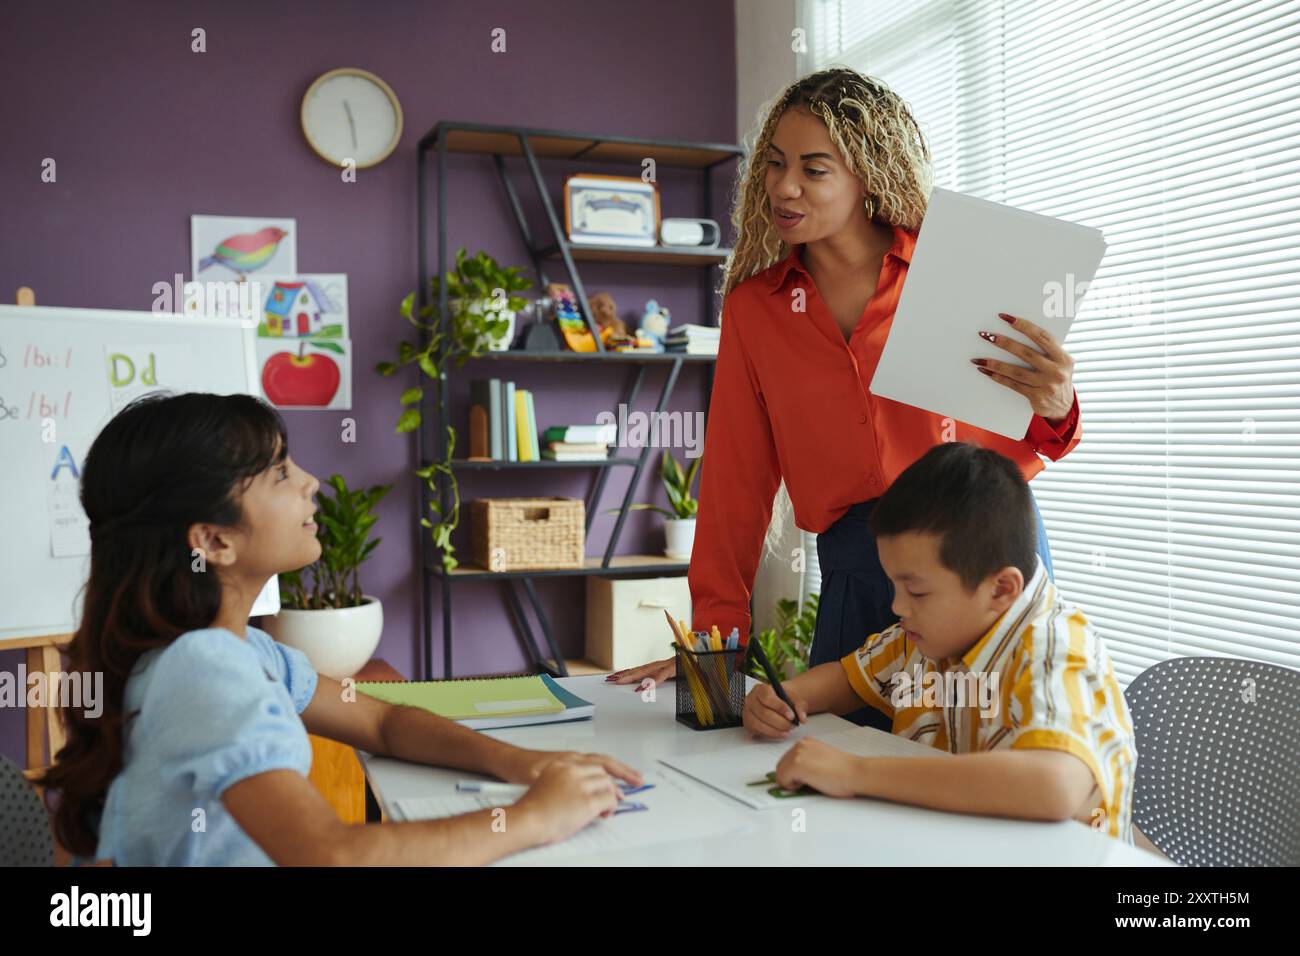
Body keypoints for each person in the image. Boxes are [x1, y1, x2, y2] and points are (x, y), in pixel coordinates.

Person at [609, 67, 1081, 729]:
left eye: (813, 168)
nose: (783, 185)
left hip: (986, 559)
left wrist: (1058, 402)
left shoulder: (953, 271)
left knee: (1011, 773)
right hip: (861, 572)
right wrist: (713, 659)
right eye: (773, 164)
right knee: (840, 784)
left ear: (868, 176)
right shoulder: (756, 310)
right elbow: (732, 489)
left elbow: (1029, 432)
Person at [35, 391, 641, 866]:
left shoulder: (245, 654)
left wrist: (523, 765)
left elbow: (381, 720)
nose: (310, 483)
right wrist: (533, 818)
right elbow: (329, 855)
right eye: (279, 474)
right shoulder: (202, 667)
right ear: (213, 541)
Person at [744, 442, 1136, 842]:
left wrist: (856, 772)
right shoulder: (927, 635)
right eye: (894, 584)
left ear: (1001, 589)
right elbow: (847, 680)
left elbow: (1055, 786)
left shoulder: (1055, 650)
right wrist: (788, 696)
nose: (897, 606)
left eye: (916, 592)